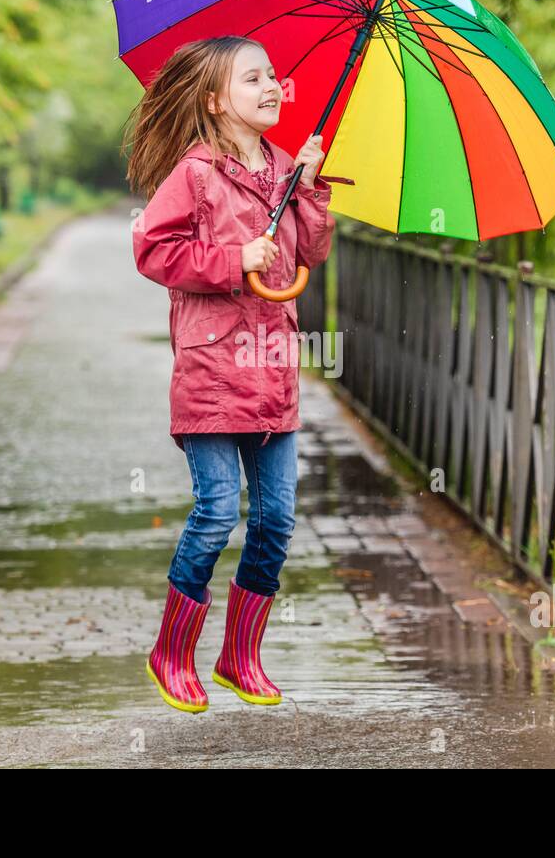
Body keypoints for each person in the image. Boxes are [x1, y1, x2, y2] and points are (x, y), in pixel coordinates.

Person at [123, 35, 335, 713]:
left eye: (274, 74)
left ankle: (240, 655)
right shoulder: (195, 172)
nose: (272, 85)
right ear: (216, 100)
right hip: (212, 374)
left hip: (272, 375)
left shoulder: (282, 167)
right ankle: (170, 651)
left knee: (276, 518)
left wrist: (309, 187)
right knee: (217, 511)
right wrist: (233, 254)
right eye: (254, 78)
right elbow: (154, 250)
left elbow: (311, 251)